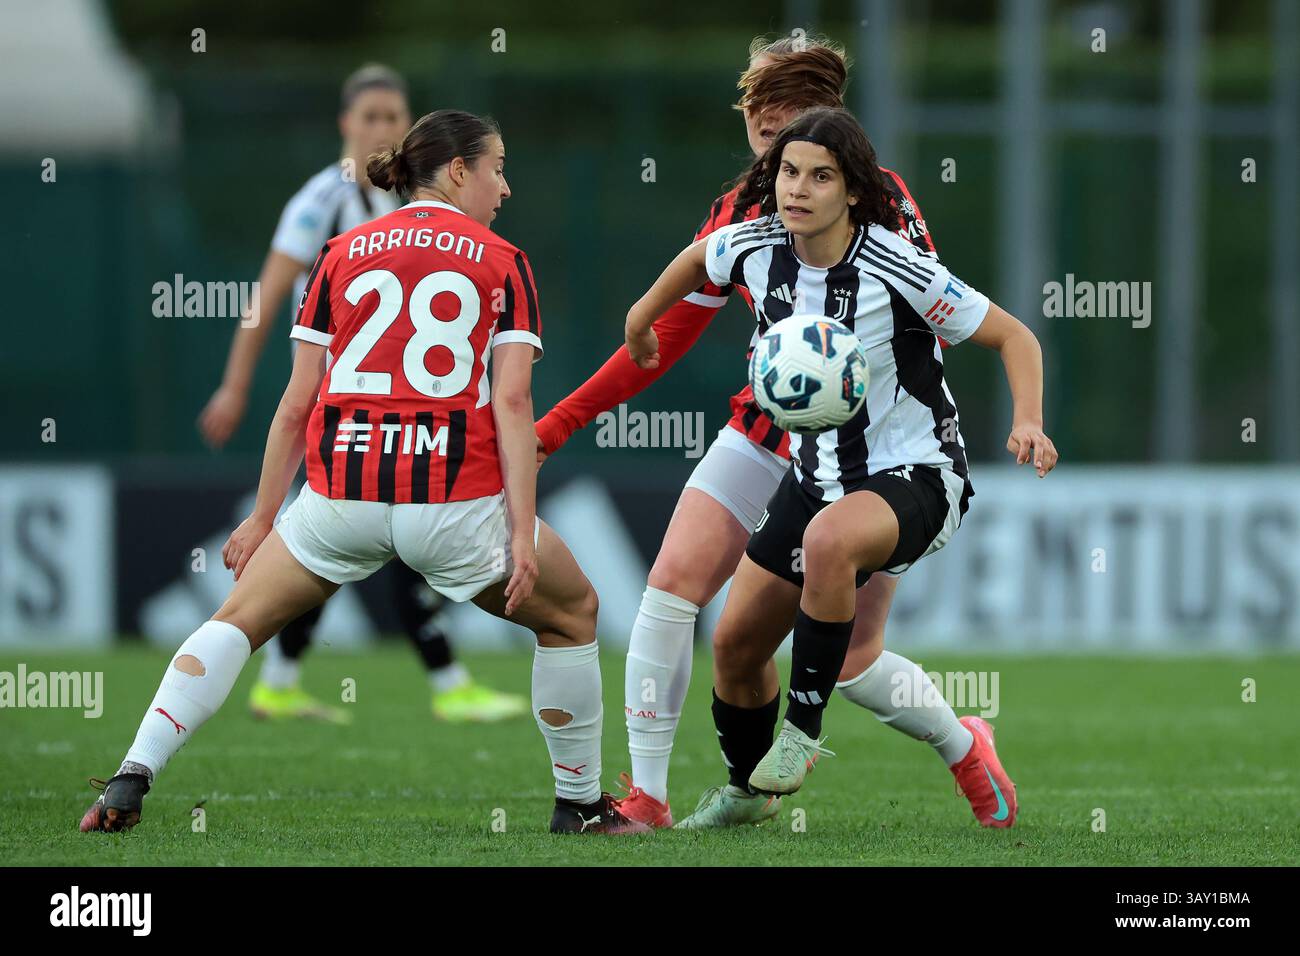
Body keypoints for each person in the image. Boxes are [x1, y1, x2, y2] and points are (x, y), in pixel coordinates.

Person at [82, 110, 644, 836]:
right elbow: (510, 403)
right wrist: (522, 533)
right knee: (573, 615)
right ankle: (579, 807)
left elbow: (295, 403)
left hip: (339, 495)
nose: (505, 187)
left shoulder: (342, 251)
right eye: (498, 167)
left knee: (235, 621)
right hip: (450, 502)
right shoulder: (504, 260)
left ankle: (132, 773)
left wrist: (260, 517)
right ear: (458, 170)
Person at [536, 36, 993, 829]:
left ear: (829, 119)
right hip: (762, 435)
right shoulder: (742, 208)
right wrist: (559, 423)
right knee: (673, 588)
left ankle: (964, 744)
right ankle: (648, 797)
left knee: (854, 661)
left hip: (870, 451)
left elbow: (934, 323)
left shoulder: (879, 200)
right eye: (758, 110)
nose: (768, 128)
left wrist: (836, 372)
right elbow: (665, 333)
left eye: (786, 112)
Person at [622, 107, 1057, 826]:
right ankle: (746, 793)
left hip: (919, 473)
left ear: (853, 190)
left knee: (830, 545)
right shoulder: (756, 246)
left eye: (821, 176)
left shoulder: (897, 265)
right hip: (816, 477)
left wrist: (1029, 421)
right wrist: (642, 317)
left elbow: (1014, 336)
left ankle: (802, 733)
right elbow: (699, 260)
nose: (798, 188)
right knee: (734, 646)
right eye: (789, 172)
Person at [197, 64, 524, 724]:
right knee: (378, 526)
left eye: (393, 117)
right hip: (337, 394)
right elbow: (265, 297)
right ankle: (442, 680)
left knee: (354, 536)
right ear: (346, 124)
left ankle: (287, 679)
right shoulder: (323, 200)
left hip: (401, 396)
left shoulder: (406, 205)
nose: (381, 128)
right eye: (370, 117)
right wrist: (234, 385)